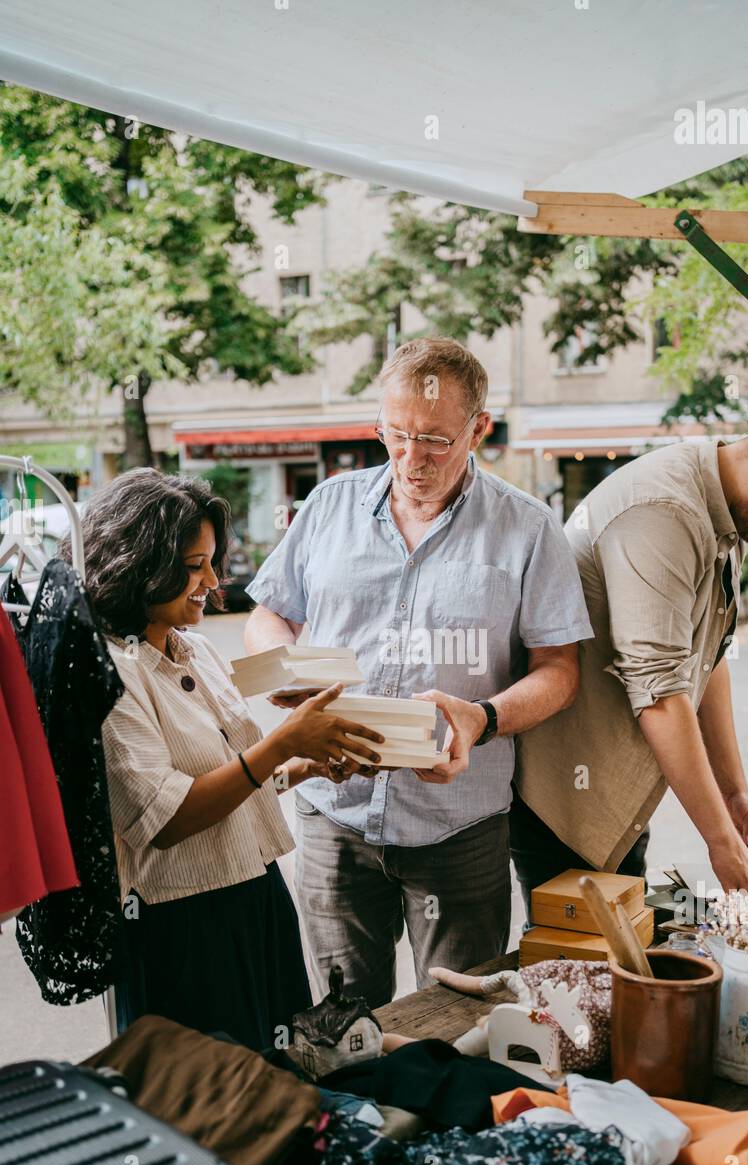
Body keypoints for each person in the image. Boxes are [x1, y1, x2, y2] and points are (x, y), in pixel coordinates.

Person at [245, 337, 592, 1006]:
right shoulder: (328, 506)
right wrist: (287, 672)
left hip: (460, 827)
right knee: (345, 1024)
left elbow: (560, 671)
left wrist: (482, 718)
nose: (410, 459)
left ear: (478, 429)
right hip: (334, 817)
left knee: (456, 1020)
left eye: (434, 440)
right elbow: (270, 615)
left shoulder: (528, 528)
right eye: (396, 435)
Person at [514, 404, 748, 903]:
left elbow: (707, 656)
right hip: (566, 801)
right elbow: (658, 690)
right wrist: (720, 841)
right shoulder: (664, 512)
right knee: (576, 951)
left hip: (618, 795)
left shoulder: (730, 508)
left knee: (624, 941)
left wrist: (733, 791)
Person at [83, 468, 384, 1051]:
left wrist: (310, 762)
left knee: (278, 1072)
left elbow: (237, 778)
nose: (213, 582)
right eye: (194, 566)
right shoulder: (111, 673)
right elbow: (166, 818)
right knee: (215, 1088)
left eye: (212, 562)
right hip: (184, 924)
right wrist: (284, 742)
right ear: (140, 565)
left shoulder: (194, 648)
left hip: (256, 894)